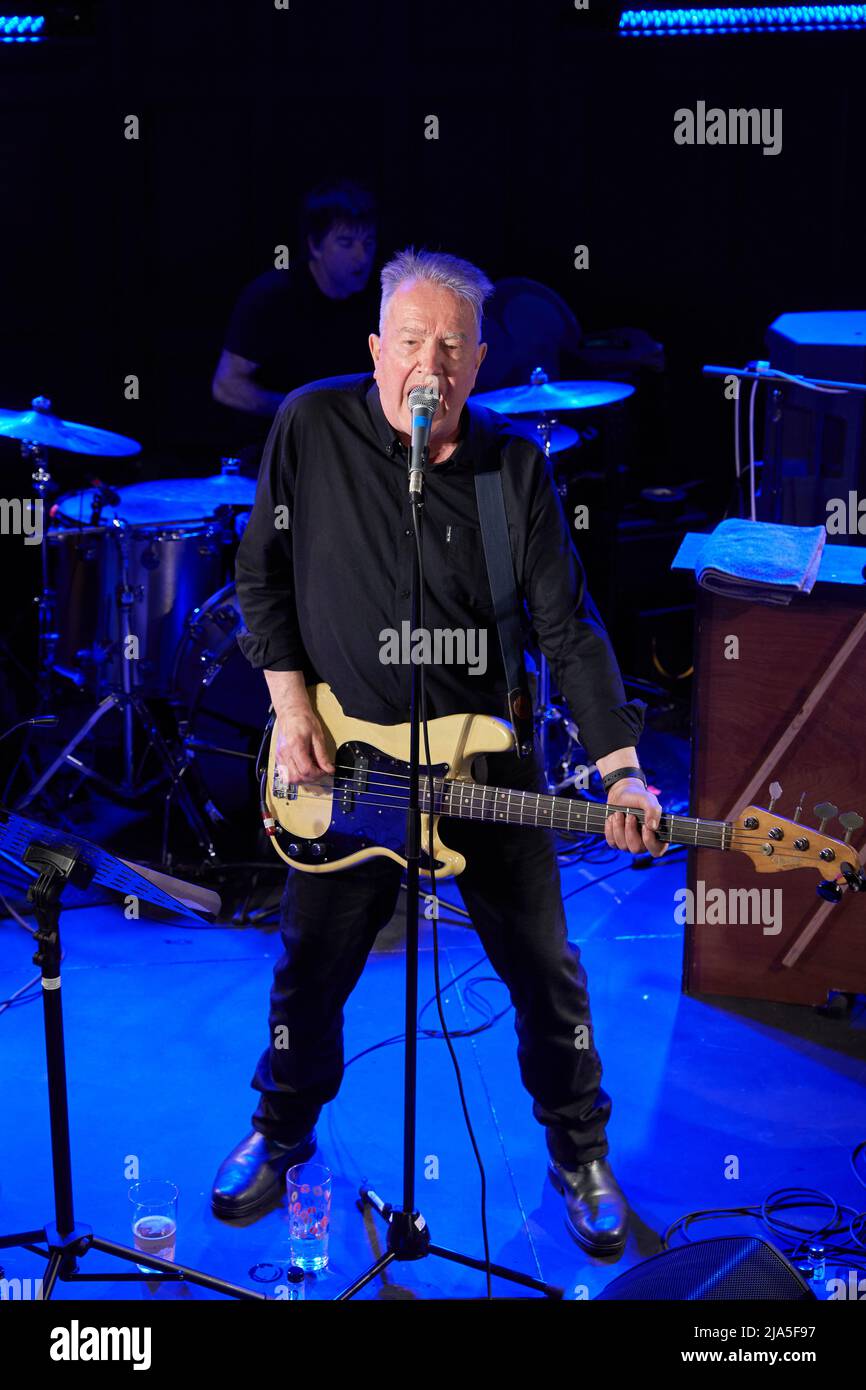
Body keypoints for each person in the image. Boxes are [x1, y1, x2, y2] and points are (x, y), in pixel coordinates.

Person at [211, 248, 668, 1256]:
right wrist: (290, 707)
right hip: (346, 765)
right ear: (375, 349)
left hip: (484, 764)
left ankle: (578, 1151)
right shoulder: (310, 428)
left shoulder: (514, 469)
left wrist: (619, 767)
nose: (430, 365)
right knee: (311, 967)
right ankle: (279, 1128)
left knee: (547, 969)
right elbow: (259, 572)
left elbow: (570, 626)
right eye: (410, 342)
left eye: (451, 346)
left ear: (480, 358)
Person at [211, 179, 379, 443]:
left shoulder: (380, 299)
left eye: (368, 243)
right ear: (315, 245)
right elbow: (226, 386)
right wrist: (304, 410)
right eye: (346, 243)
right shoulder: (272, 297)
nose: (362, 257)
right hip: (275, 447)